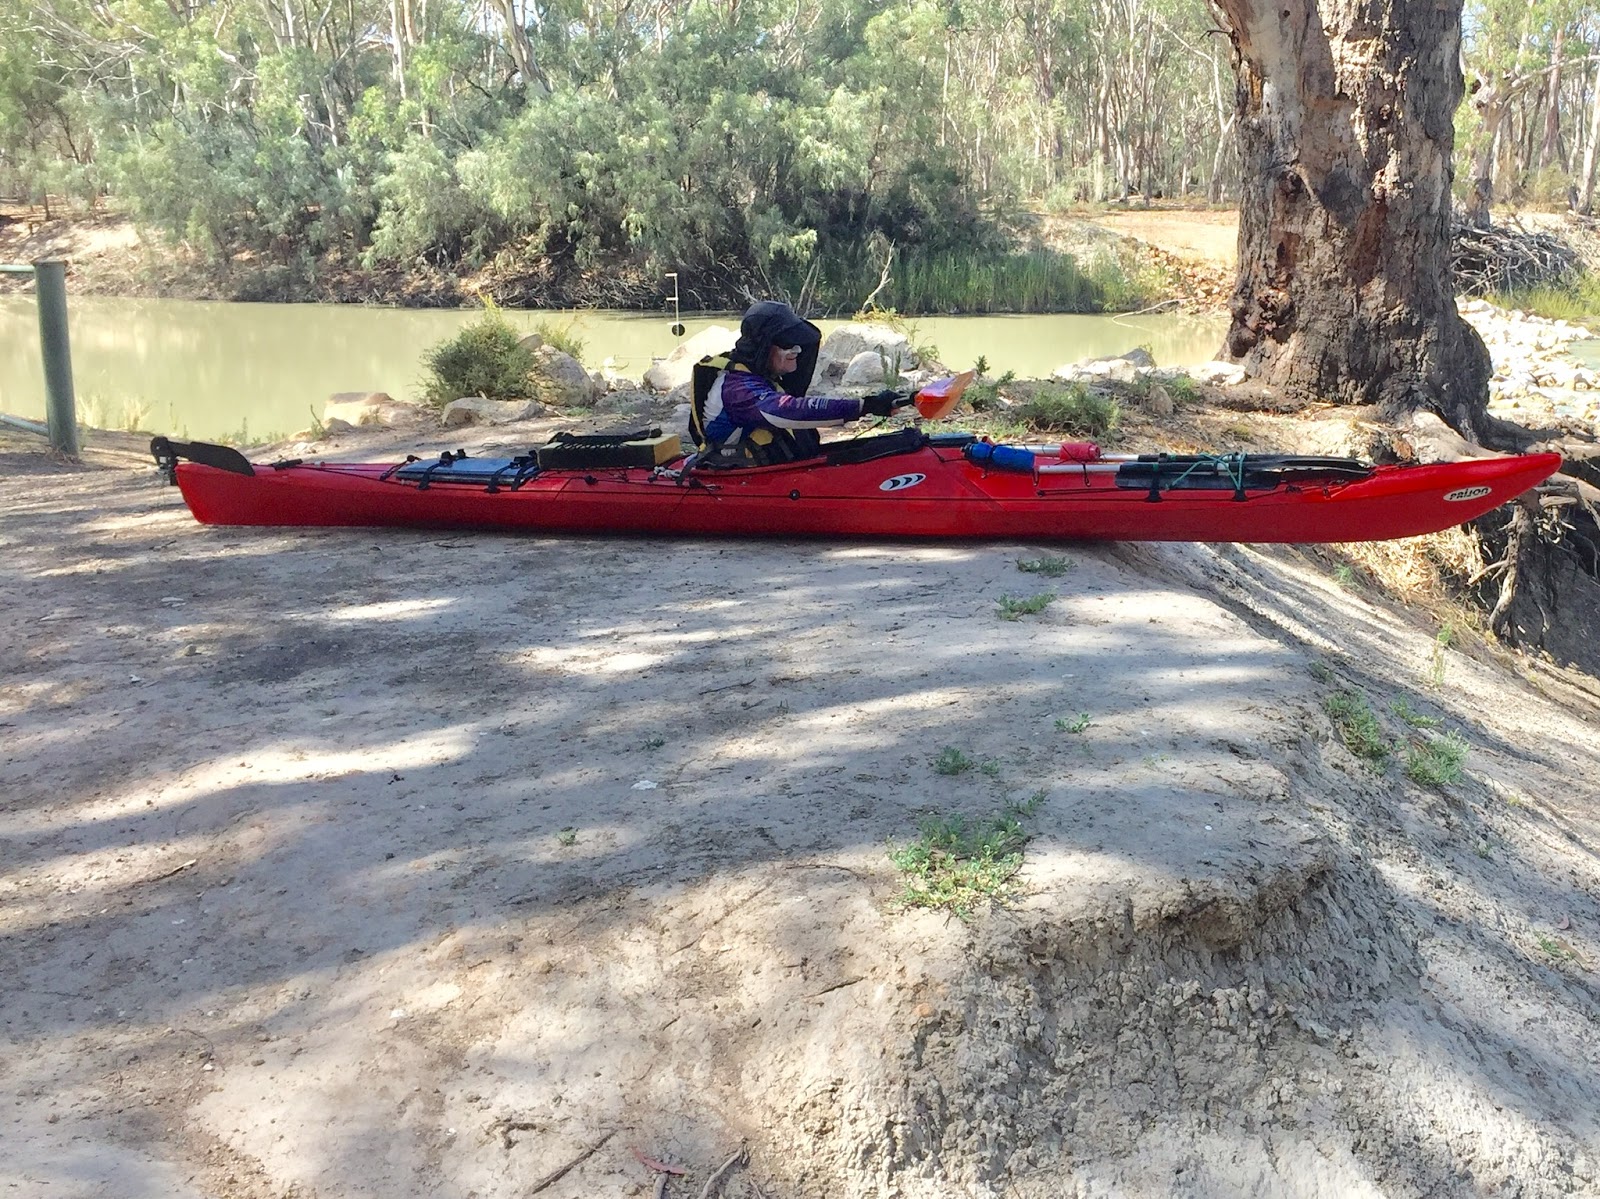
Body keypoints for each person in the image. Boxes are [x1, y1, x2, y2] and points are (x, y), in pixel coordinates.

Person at [689, 300, 910, 466]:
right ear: (764, 347)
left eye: (798, 343)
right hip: (738, 478)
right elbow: (788, 410)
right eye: (788, 344)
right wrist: (864, 406)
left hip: (773, 470)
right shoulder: (737, 388)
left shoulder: (759, 374)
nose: (797, 350)